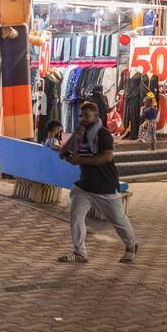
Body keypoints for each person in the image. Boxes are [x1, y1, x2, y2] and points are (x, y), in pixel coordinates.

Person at [57, 100, 137, 263]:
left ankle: (131, 245)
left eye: (86, 116)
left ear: (96, 116)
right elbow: (63, 152)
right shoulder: (81, 134)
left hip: (105, 186)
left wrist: (80, 160)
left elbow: (107, 156)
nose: (83, 119)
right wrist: (74, 136)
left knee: (118, 220)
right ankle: (80, 252)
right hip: (85, 186)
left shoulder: (103, 134)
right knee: (76, 217)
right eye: (81, 115)